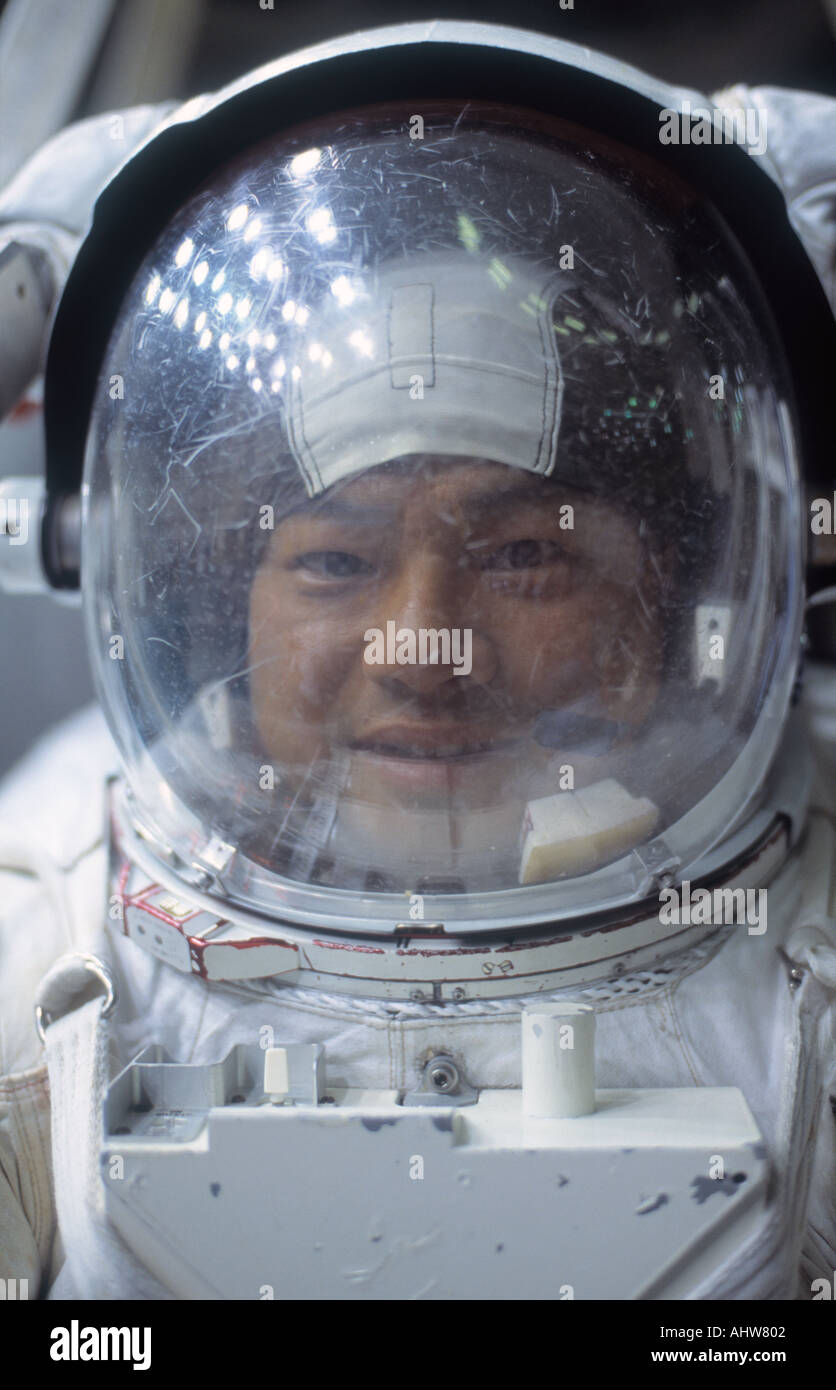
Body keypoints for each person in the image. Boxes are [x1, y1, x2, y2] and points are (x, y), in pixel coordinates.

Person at [1, 22, 835, 1301]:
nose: (420, 650)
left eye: (519, 557)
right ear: (234, 606)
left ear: (663, 594)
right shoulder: (44, 935)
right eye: (333, 563)